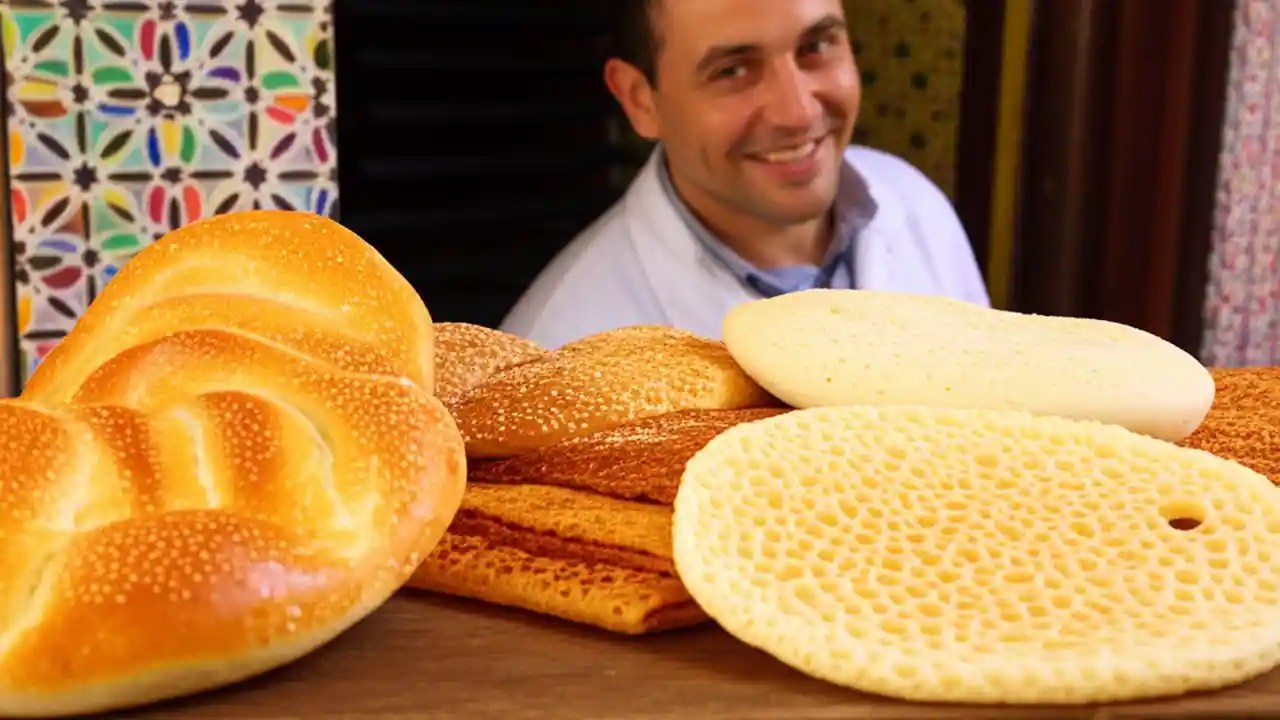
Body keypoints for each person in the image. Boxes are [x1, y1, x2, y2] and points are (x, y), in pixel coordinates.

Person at [500, 0, 990, 349]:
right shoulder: (561, 342)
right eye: (733, 70)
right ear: (639, 99)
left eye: (817, 45)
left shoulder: (918, 205)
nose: (797, 112)